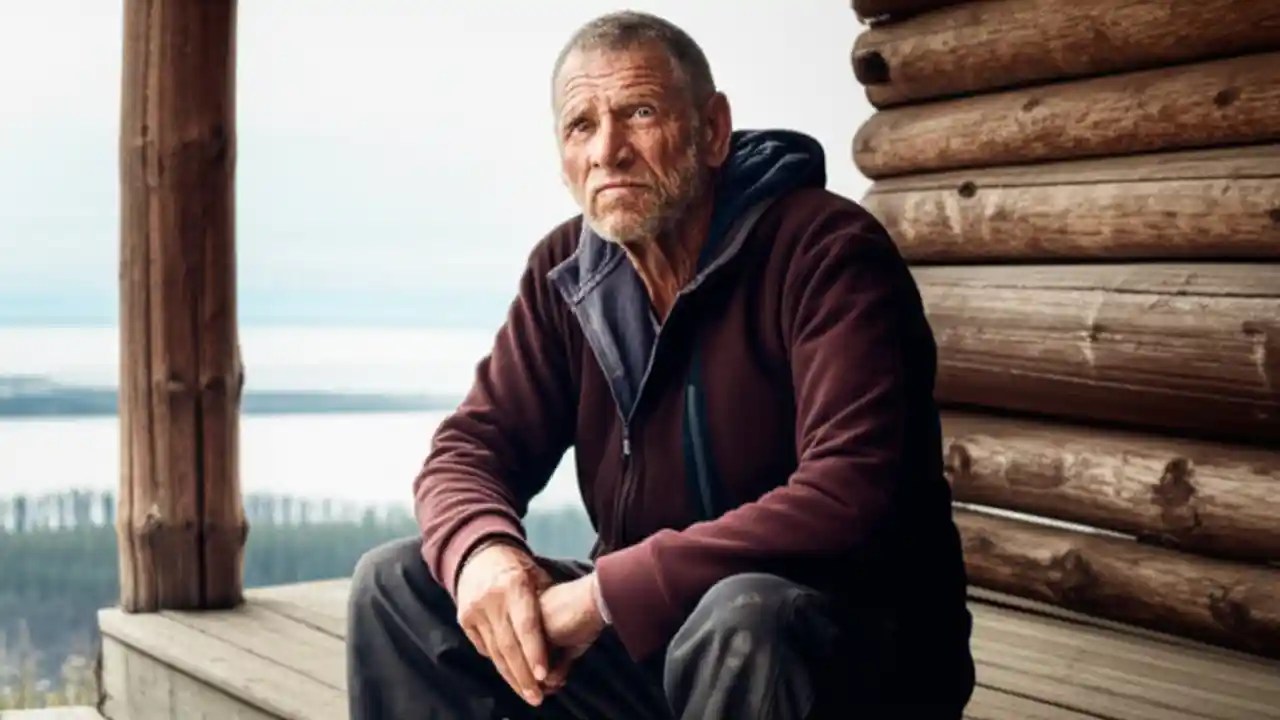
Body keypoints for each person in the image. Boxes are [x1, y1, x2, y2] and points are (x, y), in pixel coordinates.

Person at [347, 10, 975, 719]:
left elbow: (848, 493)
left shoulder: (825, 251)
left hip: (845, 653)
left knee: (745, 617)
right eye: (581, 126)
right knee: (397, 585)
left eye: (639, 113)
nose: (608, 151)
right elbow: (470, 448)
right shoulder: (568, 270)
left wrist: (604, 594)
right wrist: (483, 554)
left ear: (712, 131)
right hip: (653, 646)